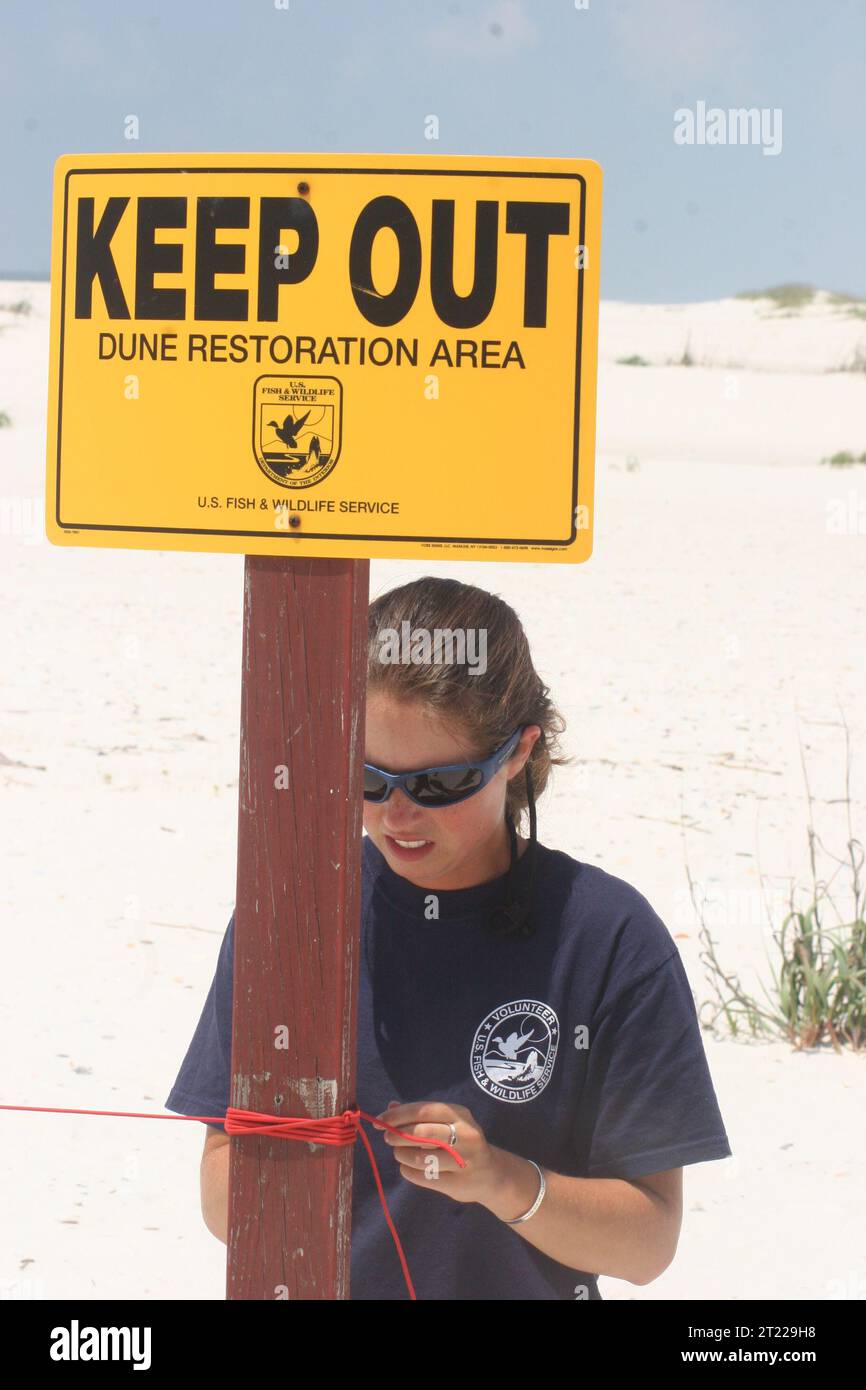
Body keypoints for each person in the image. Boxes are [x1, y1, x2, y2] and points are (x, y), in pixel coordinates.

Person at [165, 575, 732, 1300]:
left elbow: (648, 1246)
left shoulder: (608, 937)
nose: (399, 815)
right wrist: (305, 1149)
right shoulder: (291, 922)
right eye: (368, 780)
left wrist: (501, 1180)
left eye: (440, 784)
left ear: (519, 753)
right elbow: (219, 1206)